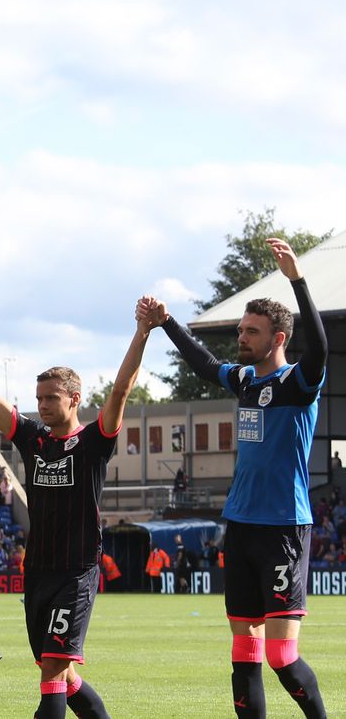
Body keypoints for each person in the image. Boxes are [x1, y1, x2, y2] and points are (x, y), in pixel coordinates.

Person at [149, 237, 328, 719]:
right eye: (242, 329)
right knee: (244, 650)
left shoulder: (297, 384)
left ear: (279, 338)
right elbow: (204, 363)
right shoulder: (246, 381)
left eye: (252, 331)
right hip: (242, 525)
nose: (242, 338)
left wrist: (297, 280)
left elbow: (321, 349)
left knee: (280, 656)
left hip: (284, 527)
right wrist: (167, 322)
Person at [0, 300, 150, 719]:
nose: (41, 405)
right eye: (38, 398)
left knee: (51, 673)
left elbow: (119, 390)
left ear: (74, 399)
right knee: (62, 675)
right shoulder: (32, 439)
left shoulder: (96, 441)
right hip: (39, 571)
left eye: (50, 398)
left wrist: (142, 332)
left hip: (77, 571)